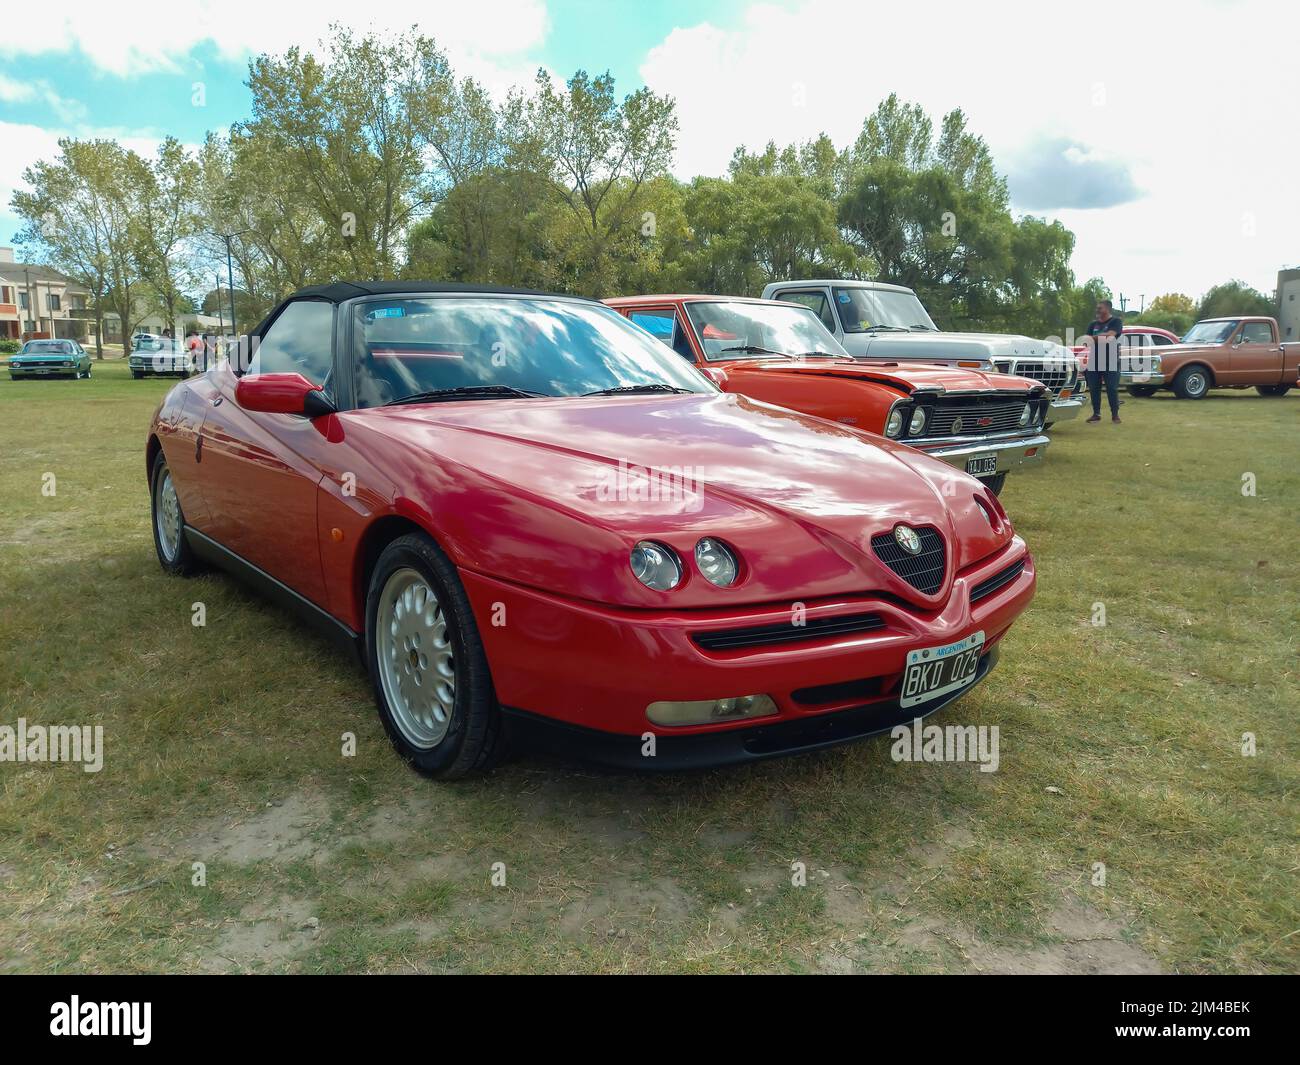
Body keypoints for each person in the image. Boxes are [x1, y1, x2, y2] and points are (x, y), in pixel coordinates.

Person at [1084, 299, 1123, 423]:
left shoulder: (1116, 321)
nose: (1097, 310)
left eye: (1100, 308)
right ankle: (1096, 414)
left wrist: (1094, 338)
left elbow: (1110, 336)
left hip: (1111, 360)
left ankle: (1115, 415)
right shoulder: (1093, 324)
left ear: (1107, 309)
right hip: (1094, 361)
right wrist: (1101, 337)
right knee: (1094, 388)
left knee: (1112, 388)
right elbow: (1086, 341)